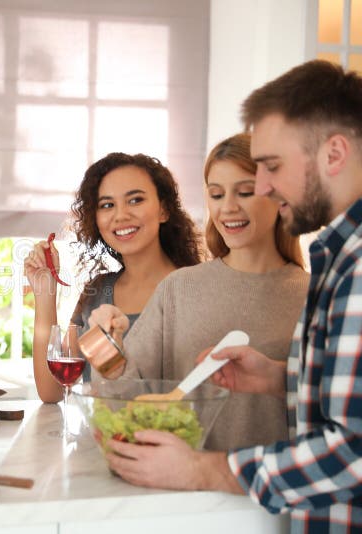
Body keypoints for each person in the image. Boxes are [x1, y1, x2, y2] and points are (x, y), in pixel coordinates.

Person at [101, 60, 362, 533]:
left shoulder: (350, 269)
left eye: (271, 169)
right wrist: (282, 378)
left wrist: (204, 469)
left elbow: (353, 451)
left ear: (335, 153)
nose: (261, 188)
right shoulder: (336, 261)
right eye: (219, 192)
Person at [89, 133, 308, 450]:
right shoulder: (179, 289)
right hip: (181, 488)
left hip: (269, 491)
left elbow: (334, 414)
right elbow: (116, 399)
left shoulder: (315, 297)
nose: (228, 208)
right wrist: (105, 345)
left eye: (244, 192)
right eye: (217, 195)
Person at [24, 153, 202, 402]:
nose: (120, 215)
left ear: (164, 209)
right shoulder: (97, 290)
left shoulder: (195, 290)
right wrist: (45, 292)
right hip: (99, 439)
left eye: (135, 200)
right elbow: (52, 391)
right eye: (107, 205)